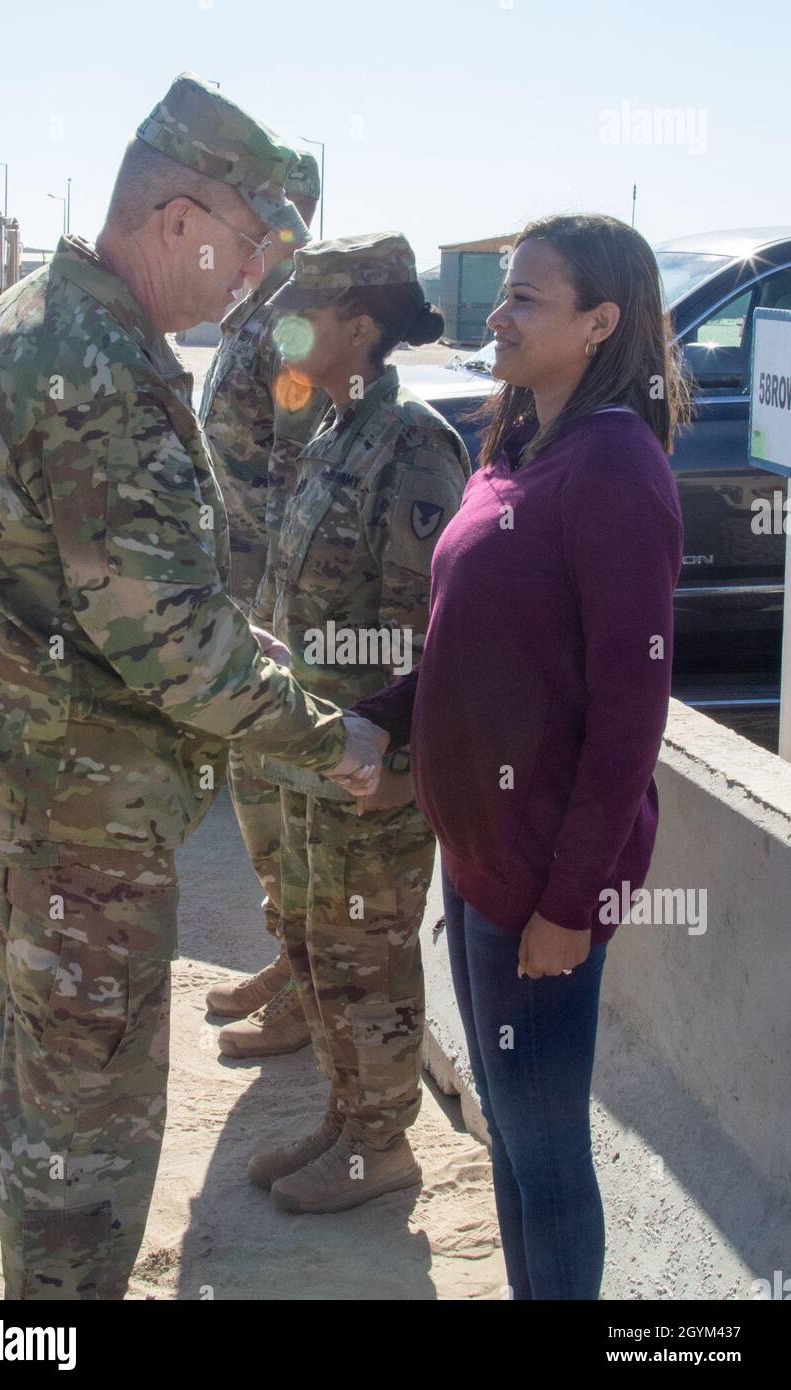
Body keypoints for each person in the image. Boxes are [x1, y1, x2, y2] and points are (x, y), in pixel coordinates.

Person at [0, 73, 384, 1301]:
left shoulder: (33, 318)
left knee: (34, 1054)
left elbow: (122, 588)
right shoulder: (97, 366)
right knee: (87, 1141)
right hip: (81, 828)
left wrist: (263, 660)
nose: (250, 288)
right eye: (242, 252)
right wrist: (328, 735)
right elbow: (171, 641)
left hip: (23, 795)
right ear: (178, 220)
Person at [349, 214, 687, 1295]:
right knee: (507, 1128)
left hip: (538, 883)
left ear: (599, 322)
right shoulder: (520, 443)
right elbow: (478, 651)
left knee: (542, 1158)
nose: (493, 314)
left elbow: (629, 715)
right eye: (502, 291)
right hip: (481, 862)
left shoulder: (615, 470)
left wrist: (568, 905)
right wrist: (385, 718)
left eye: (523, 298)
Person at [245, 232, 471, 1214]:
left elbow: (429, 633)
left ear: (362, 325)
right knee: (315, 939)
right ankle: (347, 1117)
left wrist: (394, 752)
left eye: (306, 310)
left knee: (364, 950)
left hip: (371, 760)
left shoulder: (414, 442)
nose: (282, 328)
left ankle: (381, 1145)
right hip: (314, 750)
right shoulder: (337, 426)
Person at [200, 152, 330, 1059]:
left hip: (278, 601)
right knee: (256, 789)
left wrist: (284, 604)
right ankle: (291, 954)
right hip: (242, 590)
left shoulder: (290, 314)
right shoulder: (253, 308)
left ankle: (315, 986)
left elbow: (297, 465)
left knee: (288, 794)